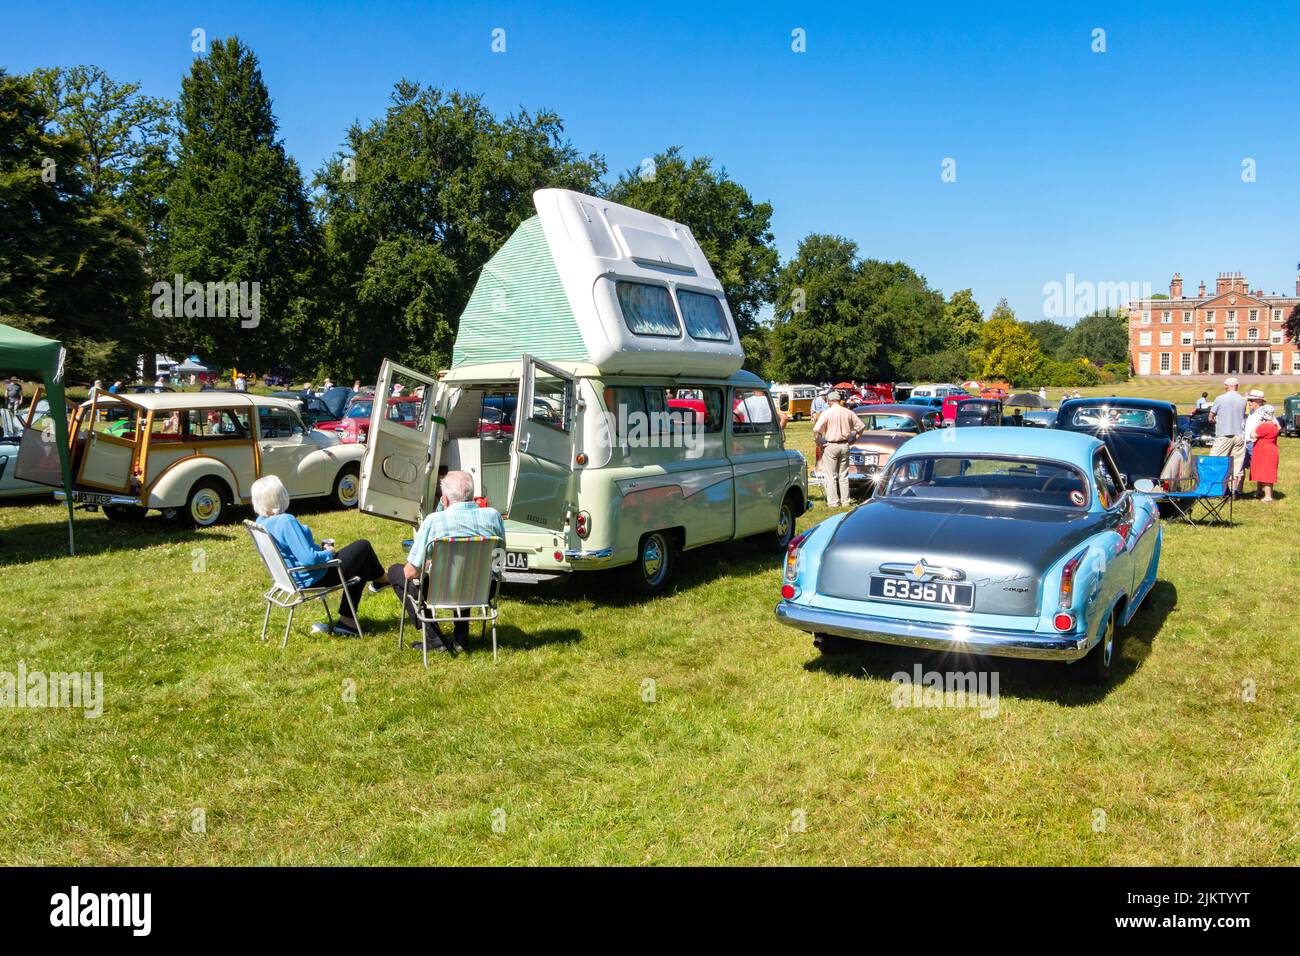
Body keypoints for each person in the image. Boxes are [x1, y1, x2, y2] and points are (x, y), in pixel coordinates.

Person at [251, 475, 386, 637]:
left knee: (361, 562)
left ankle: (348, 622)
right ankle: (381, 580)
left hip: (288, 578)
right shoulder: (285, 522)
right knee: (363, 546)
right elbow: (310, 559)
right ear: (281, 496)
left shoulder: (261, 522)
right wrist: (329, 552)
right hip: (314, 576)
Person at [387, 470, 506, 653]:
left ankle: (434, 639)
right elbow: (499, 558)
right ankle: (461, 637)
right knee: (468, 570)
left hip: (441, 591)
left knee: (397, 572)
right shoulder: (493, 516)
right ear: (473, 494)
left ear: (445, 498)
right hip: (481, 590)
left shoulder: (434, 522)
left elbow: (411, 572)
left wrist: (430, 565)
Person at [813, 391, 865, 508]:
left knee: (830, 475)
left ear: (829, 401)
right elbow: (861, 427)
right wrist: (854, 439)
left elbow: (816, 430)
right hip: (845, 445)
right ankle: (845, 501)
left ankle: (833, 502)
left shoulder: (827, 413)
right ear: (839, 400)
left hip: (831, 445)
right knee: (843, 475)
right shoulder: (848, 412)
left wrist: (819, 443)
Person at [1208, 377, 1248, 493]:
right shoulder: (1242, 400)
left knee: (1216, 461)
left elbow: (1211, 417)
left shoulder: (1220, 398)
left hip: (1225, 434)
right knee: (1236, 464)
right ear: (1237, 386)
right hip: (1239, 435)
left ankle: (1216, 489)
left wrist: (1214, 420)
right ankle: (1234, 490)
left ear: (1226, 386)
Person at [1249, 406, 1280, 501]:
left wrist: (1256, 425)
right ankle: (1259, 491)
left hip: (1265, 452)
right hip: (1267, 451)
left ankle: (1268, 496)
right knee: (1261, 472)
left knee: (1266, 474)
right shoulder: (1274, 424)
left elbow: (1252, 434)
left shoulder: (1265, 426)